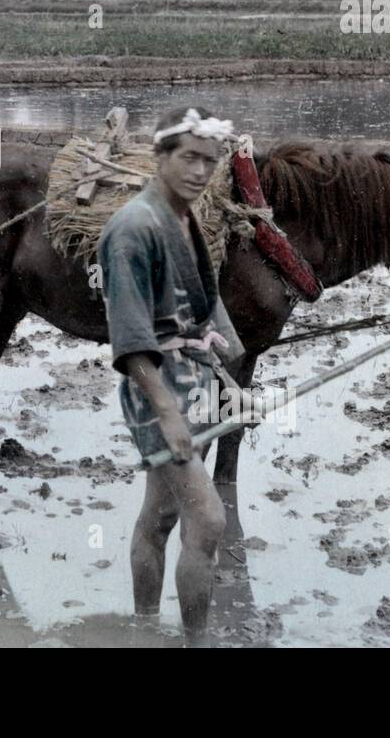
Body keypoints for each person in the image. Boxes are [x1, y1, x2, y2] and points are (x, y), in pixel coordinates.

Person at [96, 105, 256, 647]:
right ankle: (196, 643)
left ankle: (144, 631)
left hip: (194, 376)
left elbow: (205, 315)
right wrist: (167, 414)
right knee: (208, 520)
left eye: (209, 162)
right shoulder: (132, 230)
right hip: (155, 387)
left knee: (161, 513)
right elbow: (129, 336)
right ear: (160, 156)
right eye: (188, 158)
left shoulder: (186, 219)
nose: (199, 172)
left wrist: (231, 390)